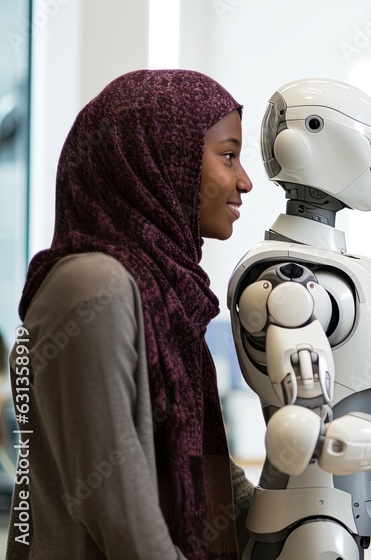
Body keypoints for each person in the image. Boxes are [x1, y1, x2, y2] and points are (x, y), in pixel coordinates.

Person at [7, 69, 255, 559]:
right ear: (159, 157)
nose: (244, 181)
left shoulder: (163, 295)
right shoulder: (94, 287)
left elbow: (213, 488)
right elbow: (118, 514)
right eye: (228, 157)